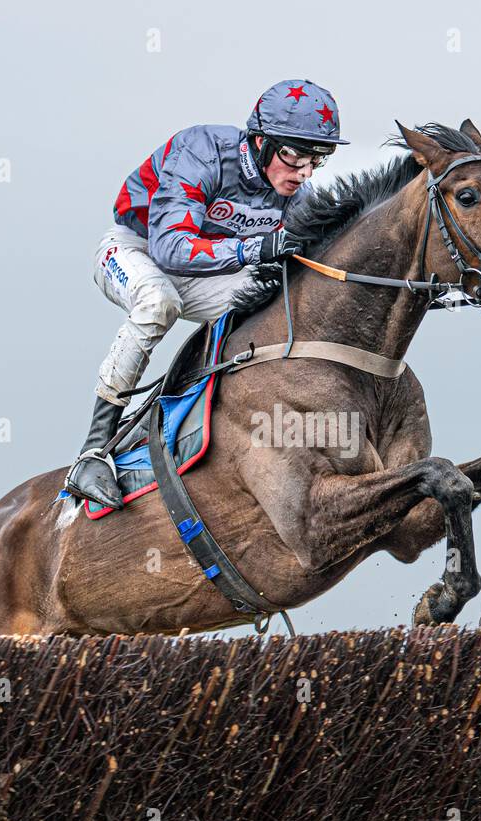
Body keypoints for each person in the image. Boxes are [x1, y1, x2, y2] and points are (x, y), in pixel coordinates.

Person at [65, 79, 349, 509]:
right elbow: (169, 248)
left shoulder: (296, 194)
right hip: (135, 249)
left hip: (208, 269)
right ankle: (91, 453)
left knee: (279, 303)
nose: (304, 172)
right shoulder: (201, 150)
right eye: (294, 155)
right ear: (260, 142)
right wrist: (254, 248)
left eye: (316, 159)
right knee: (159, 303)